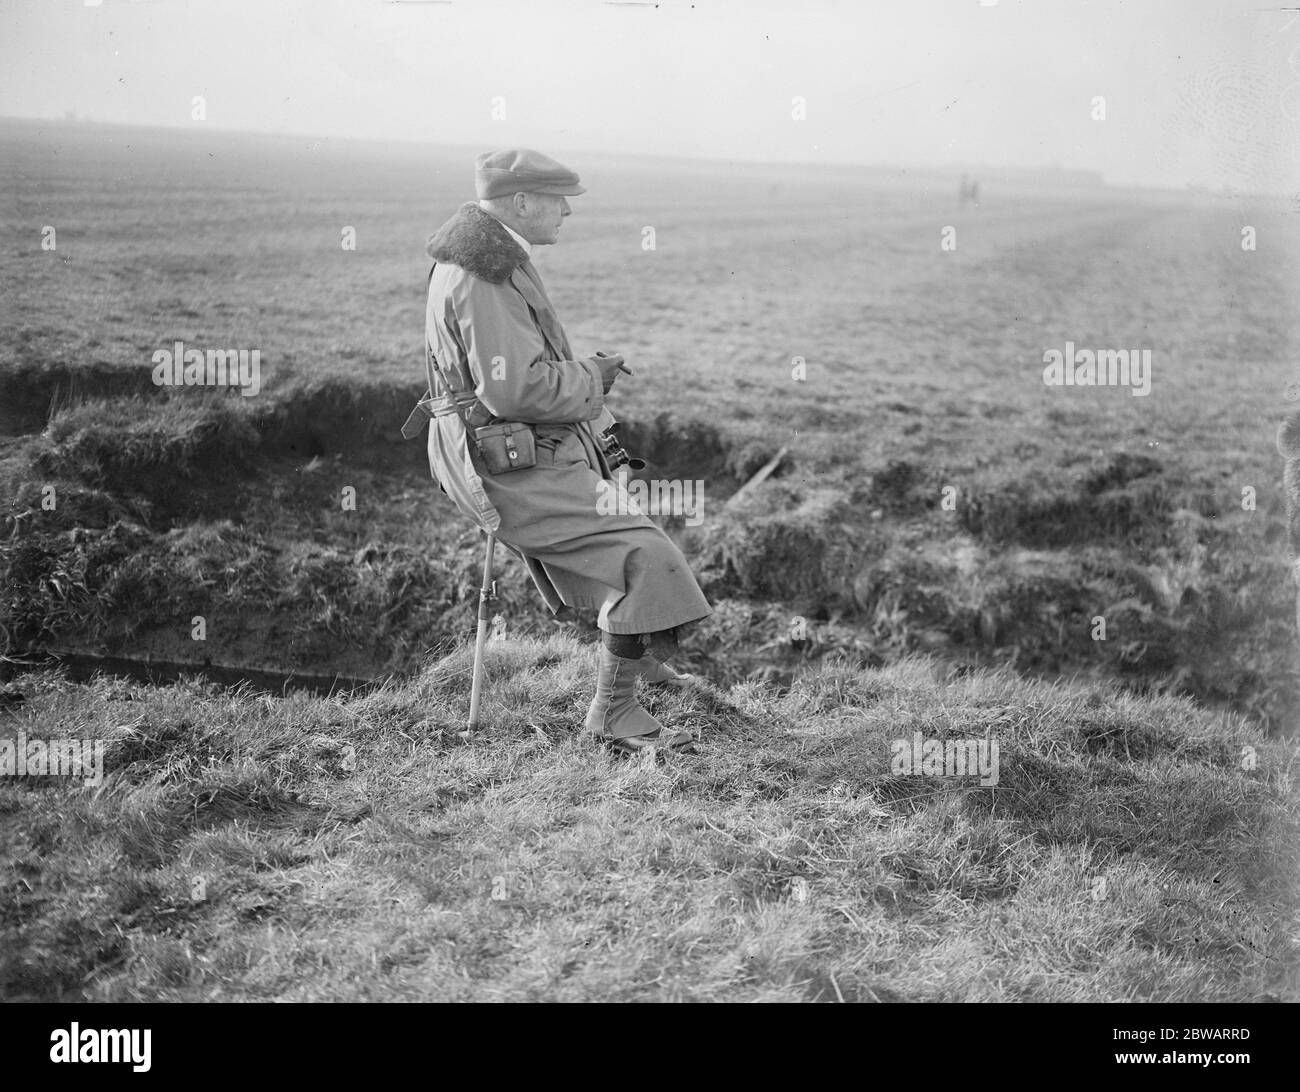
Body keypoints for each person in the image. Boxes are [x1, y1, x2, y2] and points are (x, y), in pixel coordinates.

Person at [403, 149, 712, 751]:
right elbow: (514, 389)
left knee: (628, 529)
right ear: (521, 202)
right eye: (558, 200)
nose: (567, 211)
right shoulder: (484, 274)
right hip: (501, 462)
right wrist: (593, 376)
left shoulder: (485, 257)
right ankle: (613, 713)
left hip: (508, 445)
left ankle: (640, 658)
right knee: (644, 554)